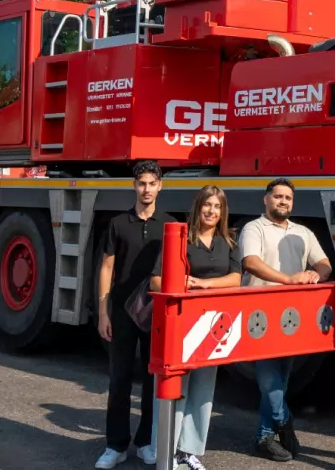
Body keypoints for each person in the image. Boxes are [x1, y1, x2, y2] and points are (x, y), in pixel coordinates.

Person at [144, 185, 242, 470]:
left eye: (217, 206)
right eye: (207, 205)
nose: (211, 211)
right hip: (181, 323)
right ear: (198, 207)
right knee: (176, 385)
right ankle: (165, 449)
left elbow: (236, 279)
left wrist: (203, 284)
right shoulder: (180, 239)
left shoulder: (229, 241)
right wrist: (182, 285)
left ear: (223, 211)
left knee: (203, 389)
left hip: (214, 325)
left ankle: (189, 451)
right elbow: (155, 281)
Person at [238, 178, 333, 461]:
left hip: (291, 316)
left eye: (288, 198)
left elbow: (325, 264)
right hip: (260, 314)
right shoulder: (253, 228)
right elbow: (250, 262)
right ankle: (284, 421)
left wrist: (316, 275)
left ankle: (264, 437)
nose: (283, 202)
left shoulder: (303, 232)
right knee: (269, 377)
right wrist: (288, 280)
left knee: (284, 375)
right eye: (277, 197)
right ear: (265, 200)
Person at [97, 161, 173, 470]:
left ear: (159, 187)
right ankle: (115, 445)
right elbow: (106, 267)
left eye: (151, 183)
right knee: (119, 379)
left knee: (153, 381)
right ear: (134, 186)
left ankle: (145, 442)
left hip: (155, 313)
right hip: (121, 312)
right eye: (141, 183)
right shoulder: (117, 223)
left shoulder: (169, 225)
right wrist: (103, 312)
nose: (146, 189)